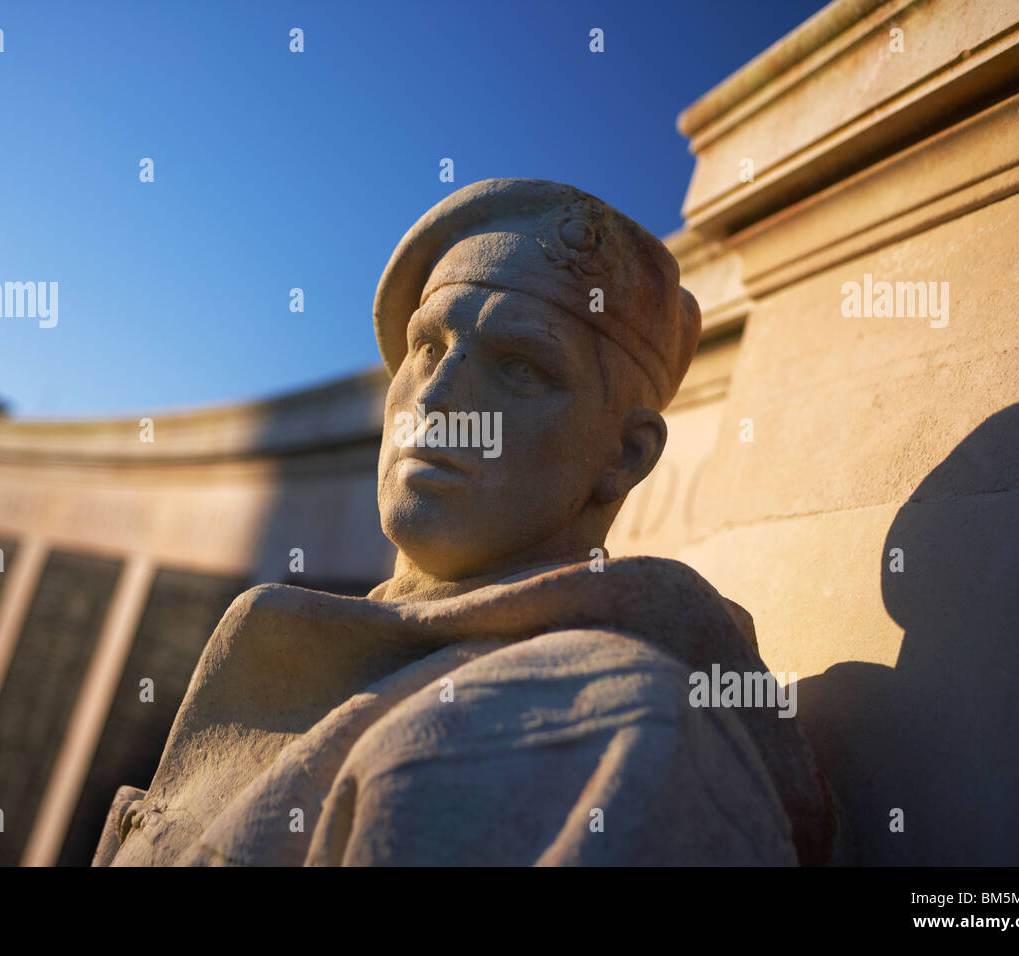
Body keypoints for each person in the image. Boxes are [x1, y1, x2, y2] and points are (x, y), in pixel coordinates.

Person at [95, 179, 836, 866]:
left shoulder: (622, 734)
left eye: (520, 368)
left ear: (626, 456)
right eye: (428, 347)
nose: (438, 397)